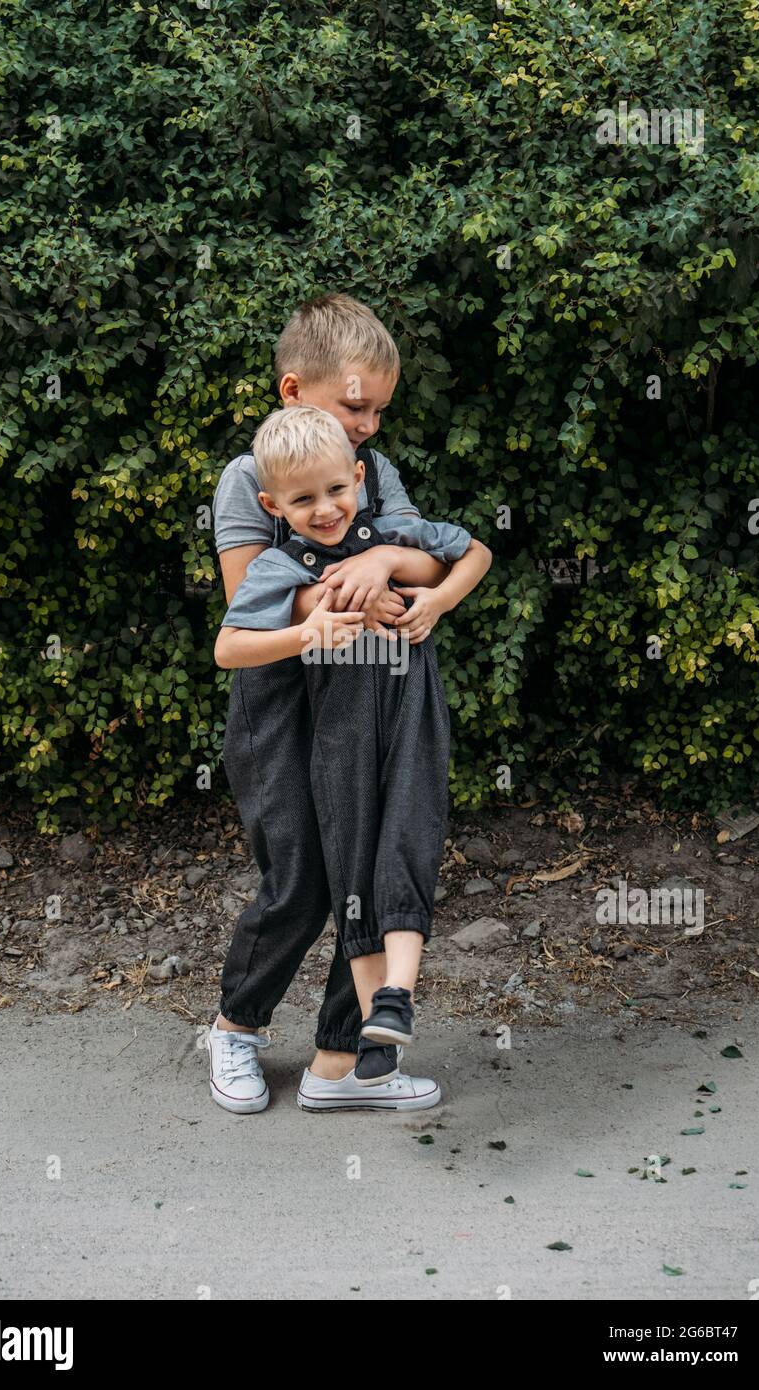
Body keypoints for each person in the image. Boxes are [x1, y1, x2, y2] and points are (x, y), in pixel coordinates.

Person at [213, 405, 492, 1111]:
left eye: (378, 410)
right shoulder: (249, 486)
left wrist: (417, 582)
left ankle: (345, 1060)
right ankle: (234, 1027)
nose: (367, 420)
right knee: (301, 879)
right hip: (281, 705)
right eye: (353, 404)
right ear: (296, 387)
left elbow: (445, 552)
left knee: (362, 866)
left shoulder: (372, 477)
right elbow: (236, 630)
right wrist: (315, 625)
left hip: (361, 703)